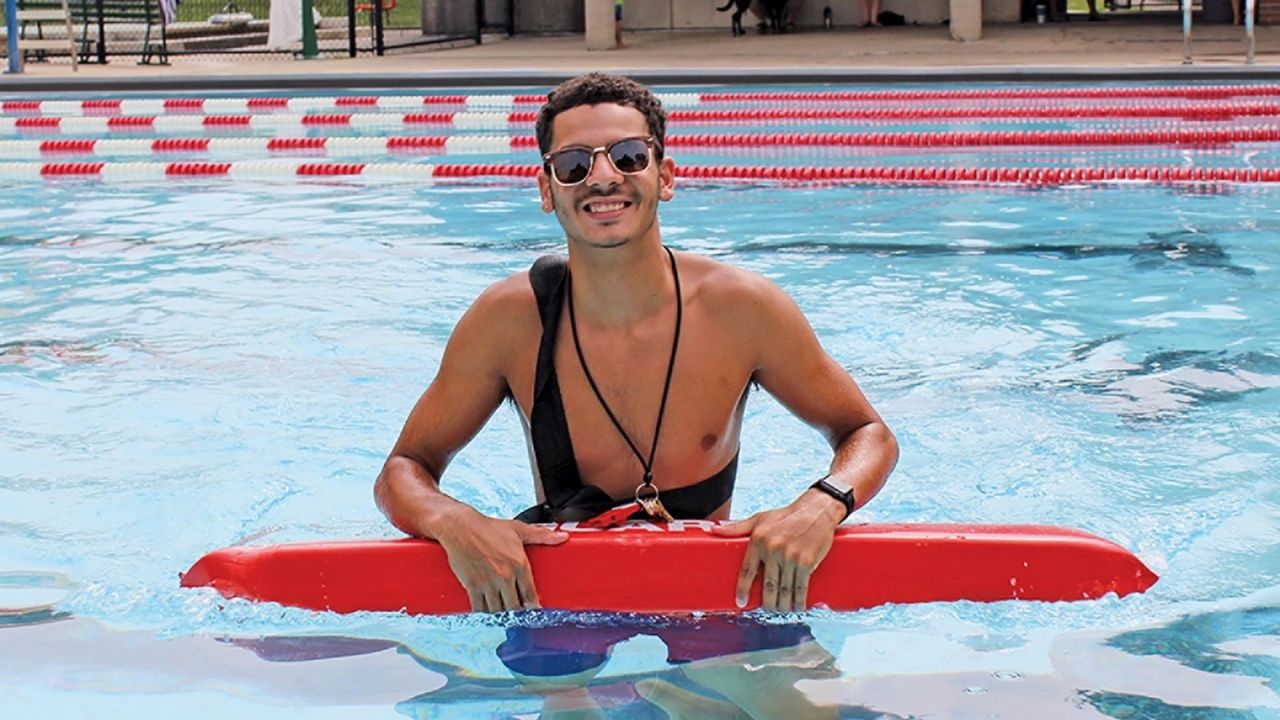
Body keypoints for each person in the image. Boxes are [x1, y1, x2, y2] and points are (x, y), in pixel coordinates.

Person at [374, 72, 898, 614]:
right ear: (546, 189)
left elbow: (868, 432)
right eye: (574, 164)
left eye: (628, 156)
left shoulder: (741, 309)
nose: (602, 178)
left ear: (665, 176)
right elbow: (403, 468)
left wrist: (821, 504)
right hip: (559, 608)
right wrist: (455, 520)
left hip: (711, 602)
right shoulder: (509, 322)